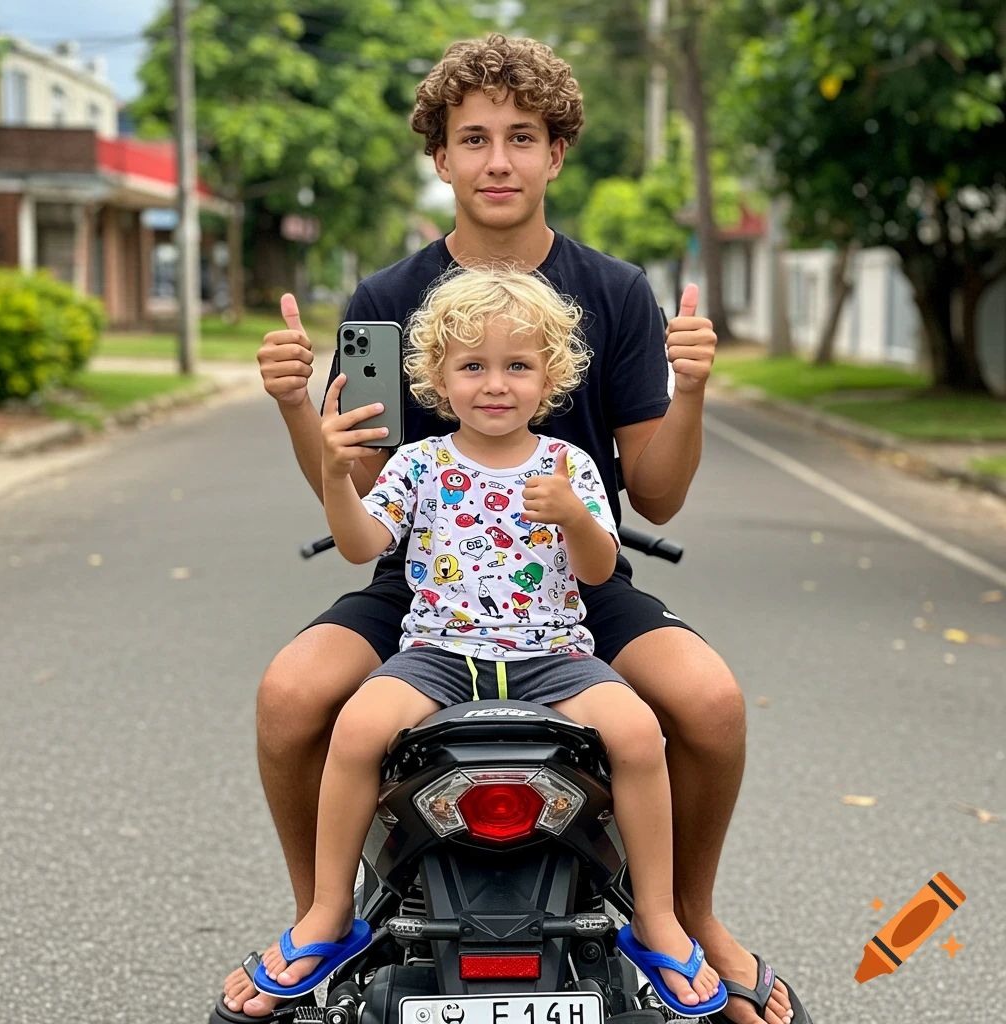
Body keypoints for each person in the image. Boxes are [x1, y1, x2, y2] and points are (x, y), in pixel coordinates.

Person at [223, 33, 802, 1024]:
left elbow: (653, 496)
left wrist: (693, 390)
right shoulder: (381, 304)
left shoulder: (616, 292)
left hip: (579, 582)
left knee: (709, 704)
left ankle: (689, 918)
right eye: (473, 137)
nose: (498, 160)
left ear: (556, 152)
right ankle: (320, 919)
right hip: (422, 591)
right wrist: (295, 412)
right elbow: (358, 490)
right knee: (288, 697)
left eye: (521, 137)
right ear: (439, 156)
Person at [253, 267, 725, 1014]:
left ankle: (662, 918)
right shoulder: (419, 463)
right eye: (472, 366)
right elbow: (358, 544)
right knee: (353, 733)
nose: (495, 384)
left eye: (517, 366)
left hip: (553, 656)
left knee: (638, 736)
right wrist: (336, 475)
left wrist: (572, 515)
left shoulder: (568, 465)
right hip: (439, 653)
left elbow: (599, 567)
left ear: (551, 377)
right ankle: (327, 911)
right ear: (438, 378)